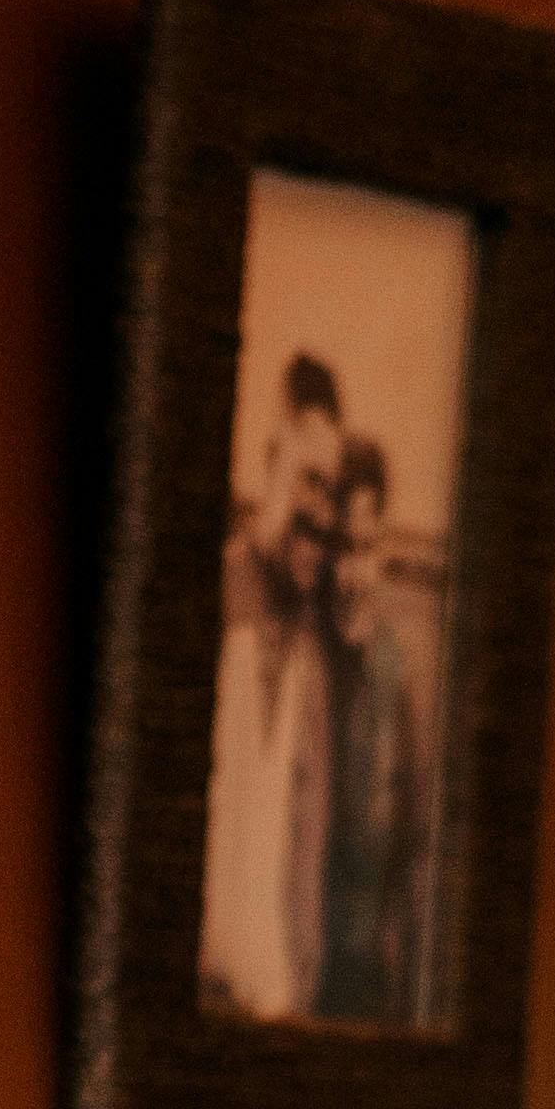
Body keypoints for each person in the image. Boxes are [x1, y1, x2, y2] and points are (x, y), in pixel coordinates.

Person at [197, 350, 344, 1018]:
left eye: (329, 492)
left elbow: (308, 858)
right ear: (269, 461)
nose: (320, 510)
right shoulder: (210, 600)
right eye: (308, 479)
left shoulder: (313, 659)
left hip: (271, 1004)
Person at [316, 429, 442, 1026]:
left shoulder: (400, 672)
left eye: (363, 551)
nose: (351, 576)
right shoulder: (311, 657)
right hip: (302, 946)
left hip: (371, 962)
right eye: (340, 551)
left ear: (384, 550)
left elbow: (415, 824)